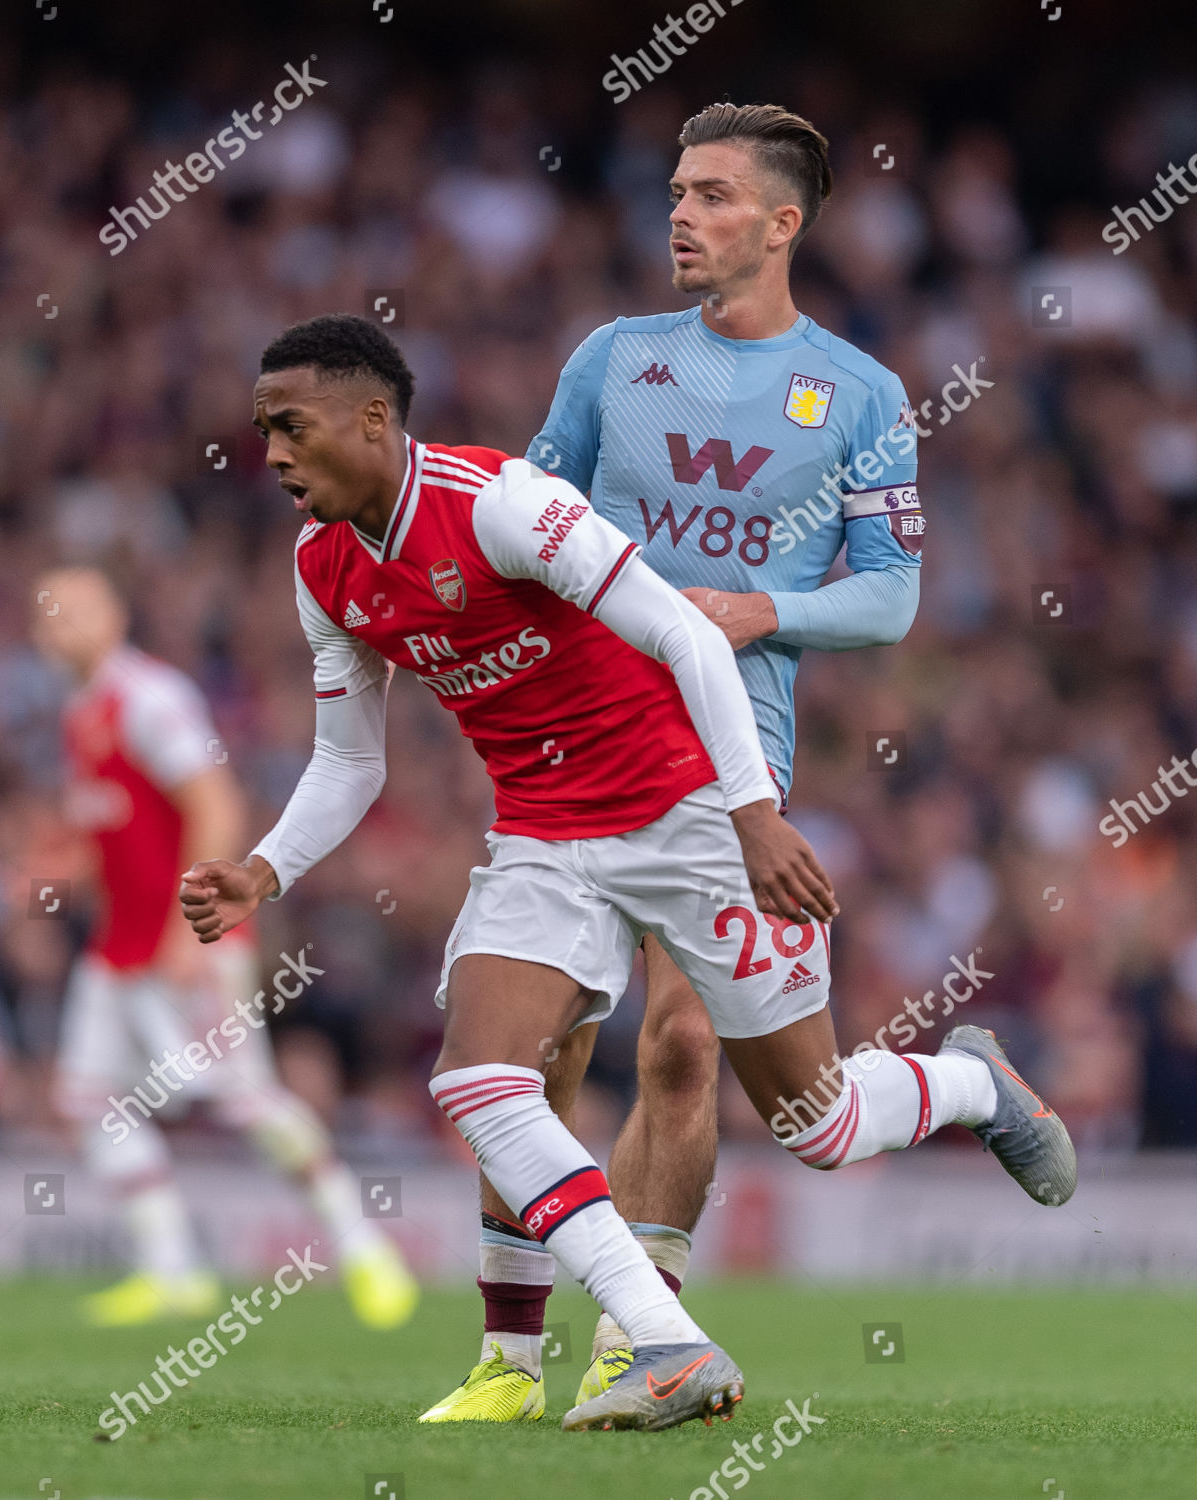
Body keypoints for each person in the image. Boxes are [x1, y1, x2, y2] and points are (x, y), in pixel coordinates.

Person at [177, 314, 1076, 1433]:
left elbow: (687, 637)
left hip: (688, 811)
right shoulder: (323, 572)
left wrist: (752, 814)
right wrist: (264, 870)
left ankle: (977, 1082)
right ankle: (658, 1342)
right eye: (263, 432)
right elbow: (352, 758)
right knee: (479, 1078)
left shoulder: (498, 502)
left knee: (819, 1125)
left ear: (373, 419)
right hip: (547, 838)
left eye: (292, 428)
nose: (270, 455)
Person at [433, 99, 934, 1419]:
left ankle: (634, 1337)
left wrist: (760, 611)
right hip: (573, 742)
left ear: (781, 224)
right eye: (674, 192)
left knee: (675, 1049)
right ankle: (505, 1364)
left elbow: (889, 598)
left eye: (712, 196)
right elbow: (520, 518)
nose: (680, 215)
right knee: (537, 1054)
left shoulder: (866, 396)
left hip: (726, 761)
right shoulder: (610, 359)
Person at [32, 566, 418, 1329]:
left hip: (186, 939)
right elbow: (115, 827)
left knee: (245, 1101)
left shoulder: (148, 698)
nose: (59, 625)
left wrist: (189, 930)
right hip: (120, 945)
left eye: (77, 608)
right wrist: (54, 869)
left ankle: (363, 1245)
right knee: (86, 1098)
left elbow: (214, 803)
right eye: (48, 614)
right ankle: (172, 1272)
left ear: (115, 614)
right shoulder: (82, 710)